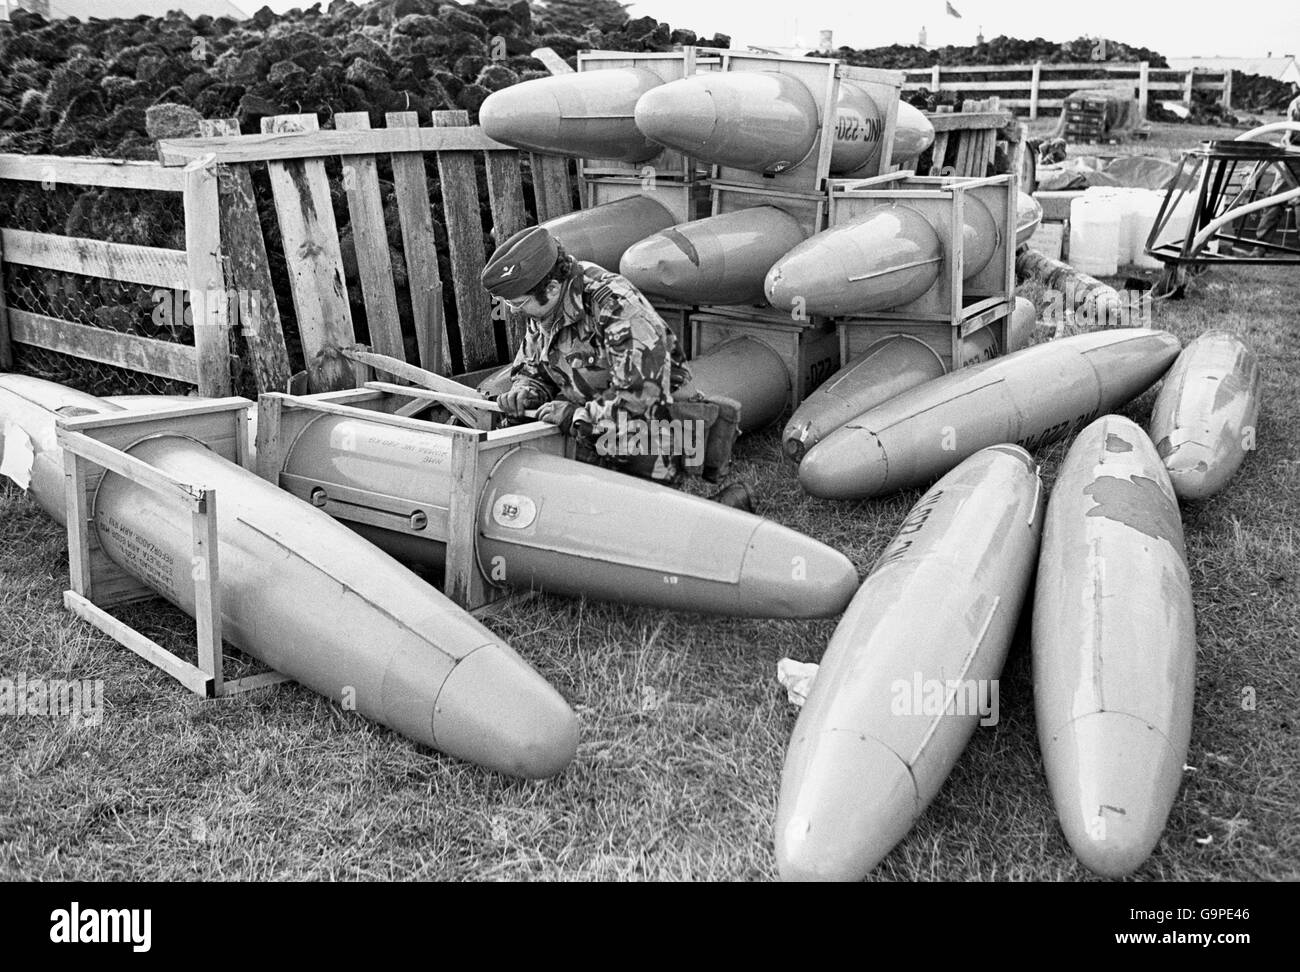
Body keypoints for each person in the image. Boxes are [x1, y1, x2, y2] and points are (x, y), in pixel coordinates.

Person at [480, 225, 754, 510]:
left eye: (518, 303)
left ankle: (722, 511)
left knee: (640, 527)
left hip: (653, 428)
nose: (513, 311)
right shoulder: (545, 304)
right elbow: (532, 368)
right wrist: (526, 390)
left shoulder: (616, 304)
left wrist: (575, 415)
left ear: (551, 288)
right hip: (598, 428)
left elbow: (641, 395)